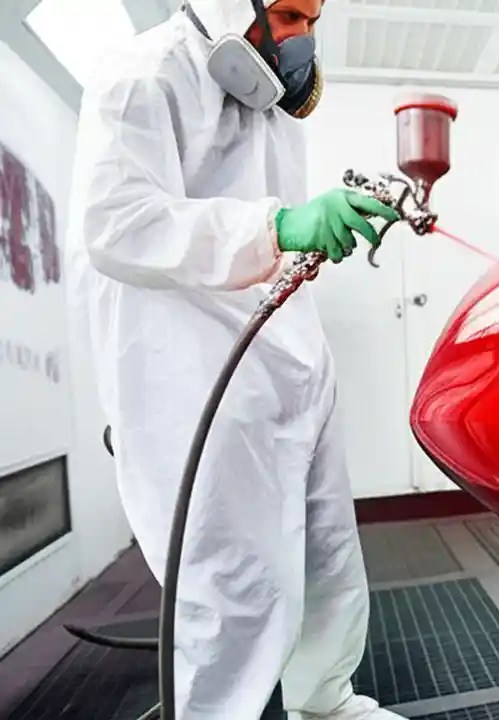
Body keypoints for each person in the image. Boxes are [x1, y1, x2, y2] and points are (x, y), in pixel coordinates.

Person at [65, 1, 404, 718]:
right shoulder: (145, 74)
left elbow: (266, 228)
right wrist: (278, 225)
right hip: (192, 376)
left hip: (287, 359)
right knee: (232, 589)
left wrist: (300, 229)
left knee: (326, 561)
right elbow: (116, 222)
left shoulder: (270, 103)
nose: (300, 39)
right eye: (286, 15)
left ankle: (325, 703)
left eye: (311, 18)